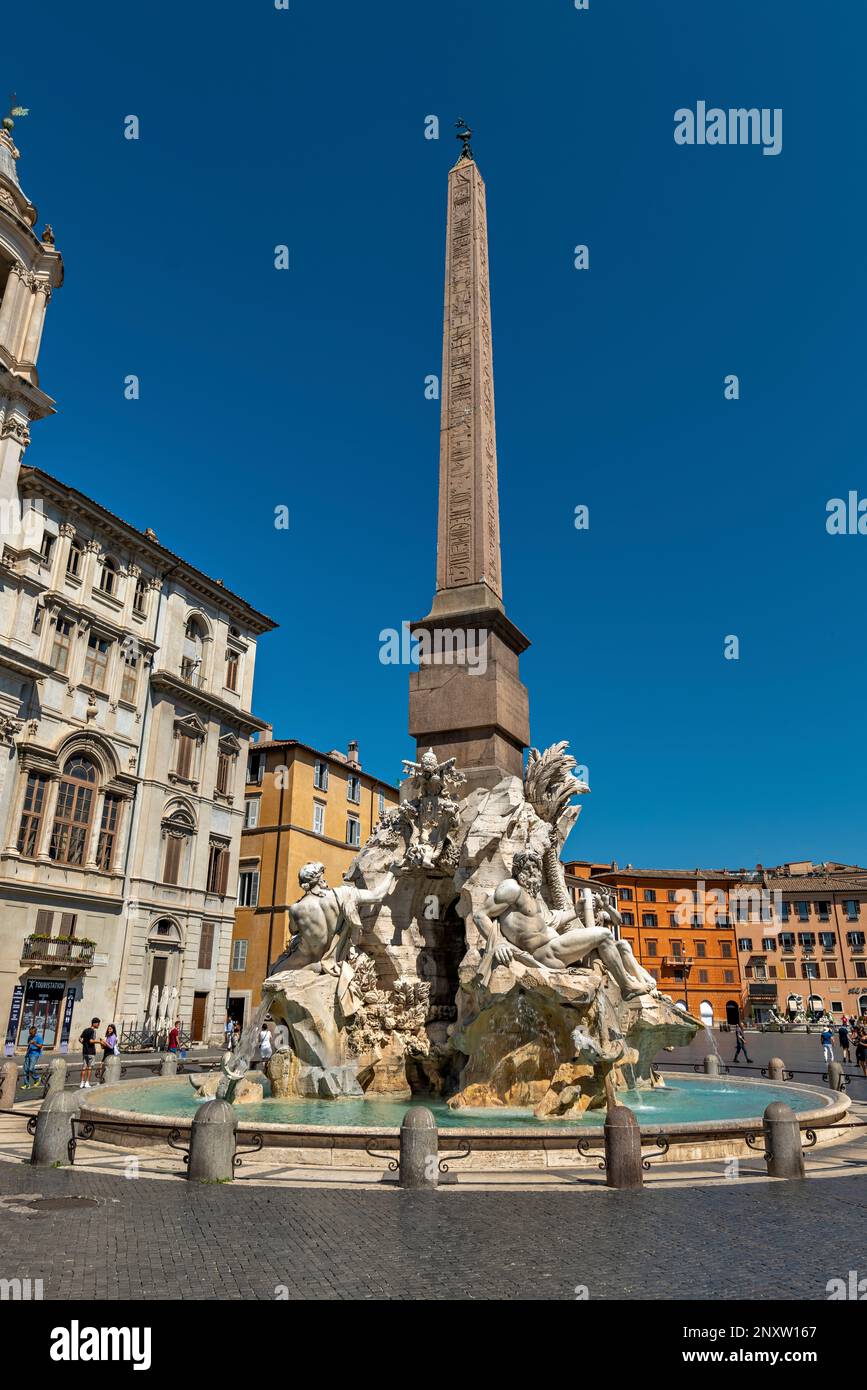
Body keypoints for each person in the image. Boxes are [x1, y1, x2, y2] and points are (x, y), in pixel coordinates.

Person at [78, 1017, 101, 1089]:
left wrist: (84, 1044)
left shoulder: (86, 1030)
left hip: (85, 1051)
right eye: (98, 1024)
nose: (98, 1025)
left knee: (84, 1067)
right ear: (95, 1023)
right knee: (90, 1067)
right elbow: (91, 1041)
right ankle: (87, 1082)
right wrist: (99, 1042)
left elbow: (79, 1039)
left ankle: (82, 1083)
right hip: (91, 1051)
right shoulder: (93, 1031)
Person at [22, 1025, 43, 1089]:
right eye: (29, 1032)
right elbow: (29, 1045)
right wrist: (26, 1053)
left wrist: (34, 1043)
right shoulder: (29, 1037)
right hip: (28, 1054)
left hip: (35, 1054)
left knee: (31, 1068)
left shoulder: (39, 1037)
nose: (30, 1034)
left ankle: (37, 1078)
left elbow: (40, 1046)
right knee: (25, 1069)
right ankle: (26, 1084)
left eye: (31, 1033)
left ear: (35, 1032)